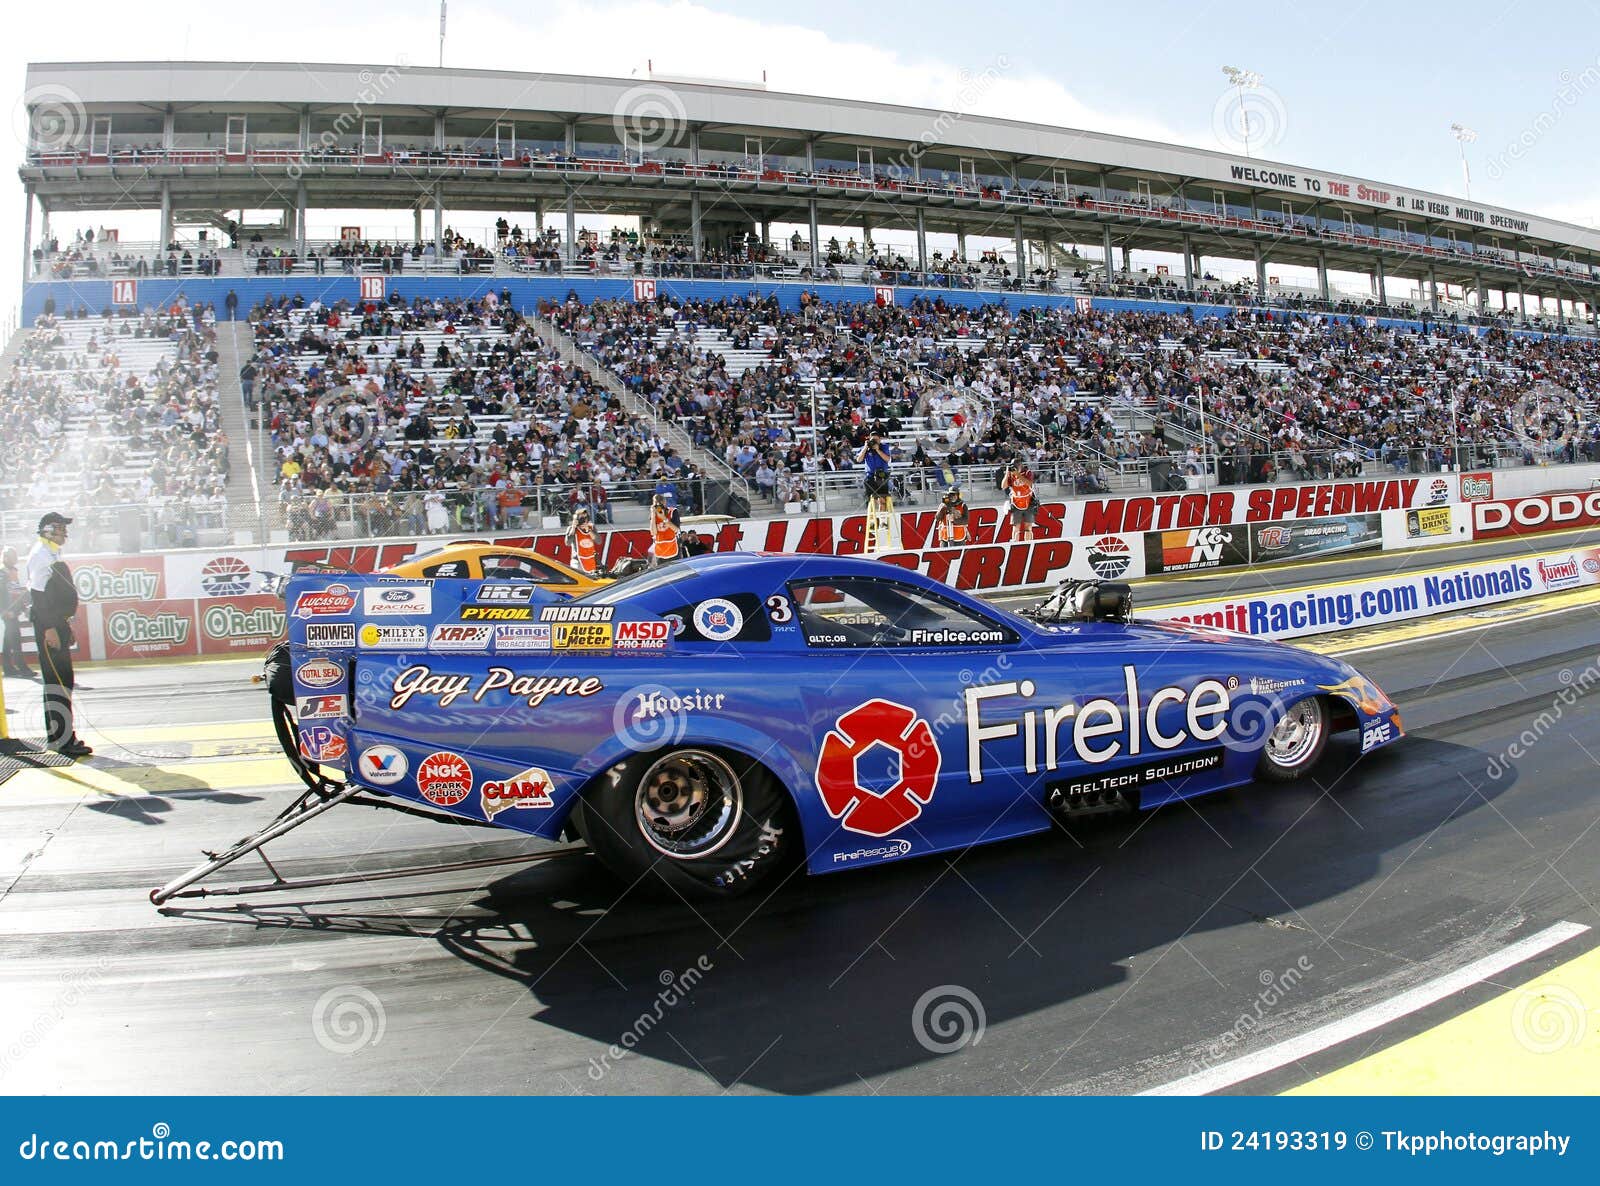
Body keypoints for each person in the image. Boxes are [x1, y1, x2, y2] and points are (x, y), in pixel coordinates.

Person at [27, 513, 91, 757]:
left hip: (56, 624)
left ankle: (60, 737)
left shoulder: (51, 553)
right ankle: (62, 740)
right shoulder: (41, 555)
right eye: (60, 528)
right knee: (57, 682)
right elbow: (38, 595)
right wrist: (50, 628)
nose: (65, 532)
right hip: (49, 626)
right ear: (47, 530)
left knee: (62, 680)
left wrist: (64, 623)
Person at [2, 547, 35, 678]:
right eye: (12, 556)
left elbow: (15, 591)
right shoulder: (2, 572)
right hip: (7, 612)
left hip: (13, 610)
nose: (15, 559)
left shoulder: (13, 571)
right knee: (15, 638)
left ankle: (8, 668)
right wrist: (4, 611)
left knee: (8, 640)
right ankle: (22, 668)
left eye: (15, 556)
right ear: (5, 557)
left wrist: (22, 607)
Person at [1004, 461, 1038, 542]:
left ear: (1021, 465)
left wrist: (1017, 474)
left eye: (1016, 465)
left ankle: (1028, 543)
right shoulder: (1010, 474)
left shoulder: (1027, 472)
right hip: (1016, 503)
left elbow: (1029, 484)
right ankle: (1015, 544)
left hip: (1029, 502)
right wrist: (1007, 473)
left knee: (1028, 526)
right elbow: (1003, 486)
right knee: (1016, 526)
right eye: (1013, 466)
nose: (1015, 467)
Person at [858, 434, 892, 512]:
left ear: (880, 440)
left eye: (876, 440)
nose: (874, 441)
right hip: (870, 476)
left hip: (882, 476)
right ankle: (873, 520)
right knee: (871, 500)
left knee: (883, 499)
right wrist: (866, 447)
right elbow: (859, 460)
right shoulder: (866, 448)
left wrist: (877, 450)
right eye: (873, 439)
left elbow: (887, 459)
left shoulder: (884, 447)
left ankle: (882, 521)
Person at [567, 506, 601, 576]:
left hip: (590, 560)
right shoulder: (571, 528)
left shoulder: (591, 527)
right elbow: (568, 543)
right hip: (577, 560)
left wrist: (589, 531)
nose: (584, 520)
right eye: (581, 518)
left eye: (585, 518)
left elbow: (599, 541)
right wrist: (573, 528)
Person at [649, 493, 680, 567]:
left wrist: (664, 518)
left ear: (665, 503)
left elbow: (676, 530)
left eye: (660, 503)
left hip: (672, 548)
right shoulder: (654, 515)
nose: (659, 506)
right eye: (656, 504)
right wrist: (653, 516)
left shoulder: (673, 512)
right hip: (660, 550)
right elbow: (653, 533)